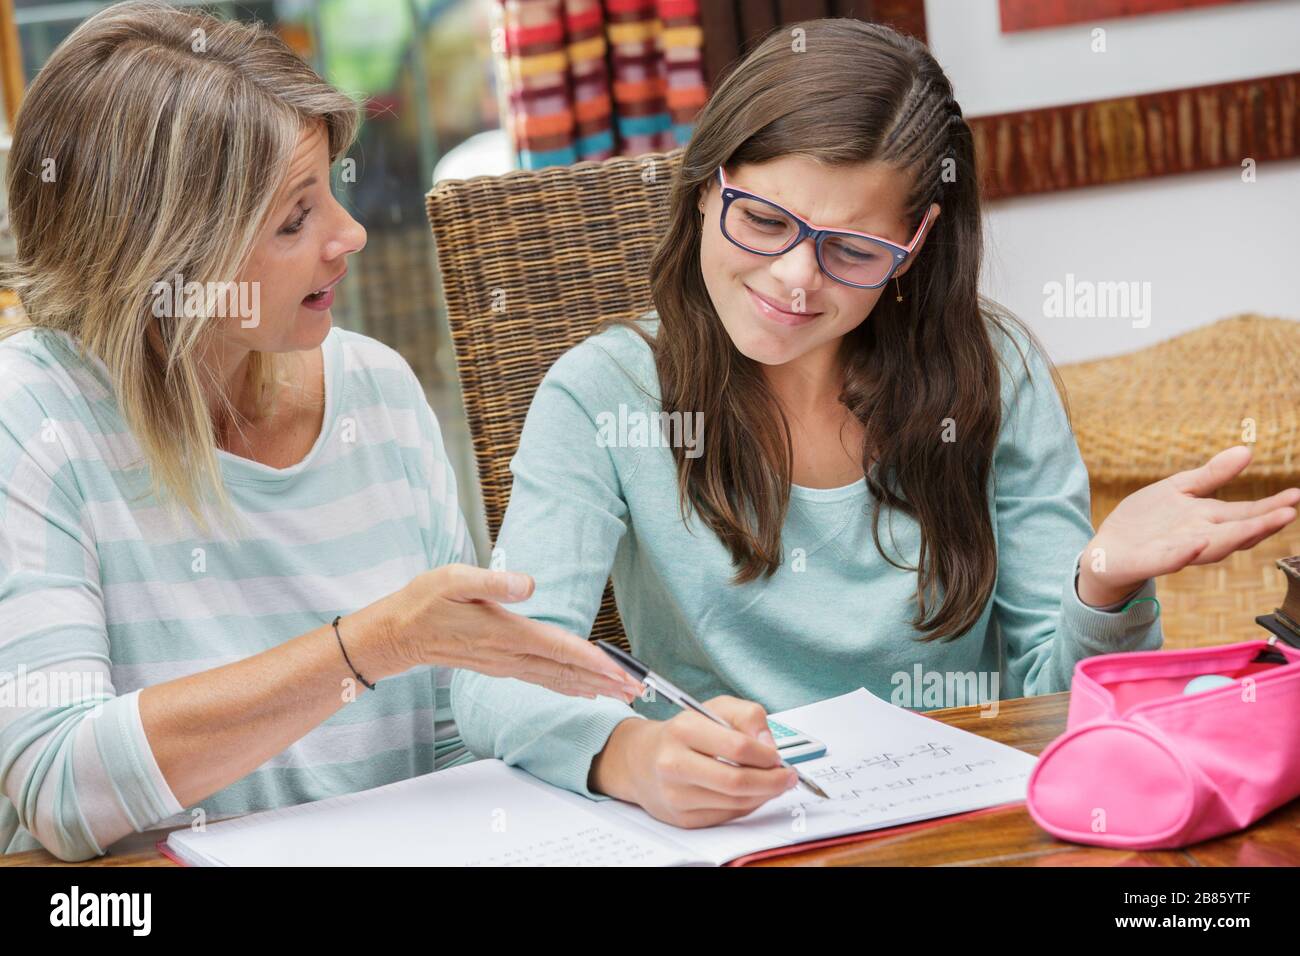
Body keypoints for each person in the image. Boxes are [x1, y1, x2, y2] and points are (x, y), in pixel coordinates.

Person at [450, 18, 1299, 829]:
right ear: (708, 185)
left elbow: (1063, 704)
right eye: (763, 219)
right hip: (734, 833)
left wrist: (1105, 581)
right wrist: (632, 759)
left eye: (851, 251)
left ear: (918, 242)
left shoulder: (994, 377)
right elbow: (497, 678)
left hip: (965, 825)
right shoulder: (603, 395)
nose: (792, 279)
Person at [0, 0, 640, 861]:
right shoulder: (32, 417)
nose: (352, 235)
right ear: (159, 258)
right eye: (294, 219)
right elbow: (59, 790)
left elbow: (455, 738)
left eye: (330, 190)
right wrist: (374, 642)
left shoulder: (373, 386)